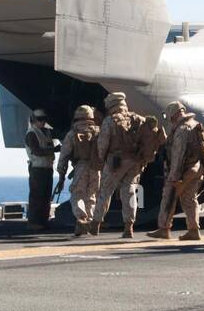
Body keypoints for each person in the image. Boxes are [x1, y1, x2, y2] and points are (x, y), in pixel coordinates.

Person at [90, 92, 147, 238]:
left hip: (115, 161)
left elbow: (102, 144)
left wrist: (102, 160)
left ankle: (95, 224)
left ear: (111, 105)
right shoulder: (138, 119)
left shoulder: (110, 121)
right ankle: (129, 227)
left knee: (105, 191)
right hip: (135, 162)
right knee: (129, 192)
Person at [148, 102, 204, 241]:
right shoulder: (195, 124)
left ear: (173, 115)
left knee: (168, 196)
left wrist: (174, 176)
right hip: (196, 168)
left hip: (183, 171)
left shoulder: (182, 129)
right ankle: (194, 230)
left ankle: (164, 229)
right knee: (190, 199)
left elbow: (178, 154)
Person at [55, 105, 101, 236]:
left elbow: (63, 156)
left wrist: (61, 176)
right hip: (96, 168)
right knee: (91, 196)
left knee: (77, 195)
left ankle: (81, 219)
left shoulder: (72, 133)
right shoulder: (99, 131)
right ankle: (89, 221)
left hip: (81, 166)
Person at [24, 108, 58, 231]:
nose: (42, 121)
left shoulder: (47, 133)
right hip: (37, 169)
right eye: (39, 119)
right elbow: (37, 151)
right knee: (37, 196)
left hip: (48, 168)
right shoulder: (31, 133)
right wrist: (53, 150)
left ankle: (43, 221)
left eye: (44, 119)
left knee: (46, 196)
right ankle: (33, 222)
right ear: (33, 120)